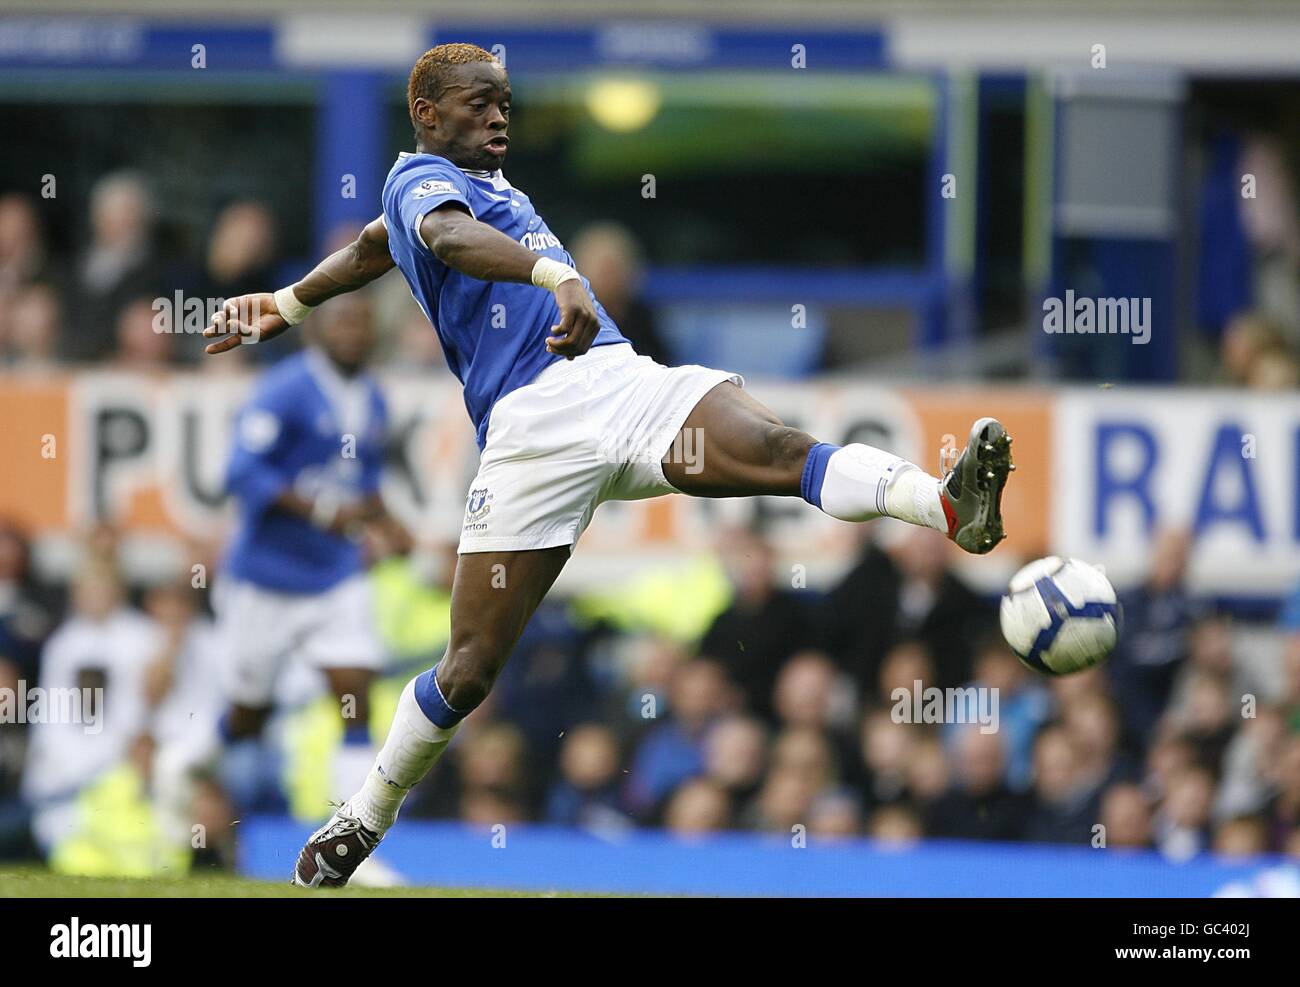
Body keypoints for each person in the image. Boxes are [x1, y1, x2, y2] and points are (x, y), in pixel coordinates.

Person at [204, 43, 1016, 887]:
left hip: (620, 383)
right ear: (427, 115)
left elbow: (377, 248)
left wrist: (292, 300)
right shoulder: (421, 185)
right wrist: (556, 271)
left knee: (777, 448)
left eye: (505, 104)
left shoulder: (464, 192)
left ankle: (947, 506)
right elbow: (437, 236)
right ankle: (365, 814)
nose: (497, 118)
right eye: (478, 104)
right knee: (470, 669)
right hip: (533, 428)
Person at [212, 291, 408, 813]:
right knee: (247, 714)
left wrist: (392, 525)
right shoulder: (283, 389)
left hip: (334, 575)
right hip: (266, 576)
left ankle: (352, 836)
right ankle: (187, 772)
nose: (354, 334)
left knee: (356, 694)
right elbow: (242, 472)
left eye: (363, 324)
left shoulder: (374, 399)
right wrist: (323, 513)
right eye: (343, 322)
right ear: (317, 328)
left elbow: (360, 483)